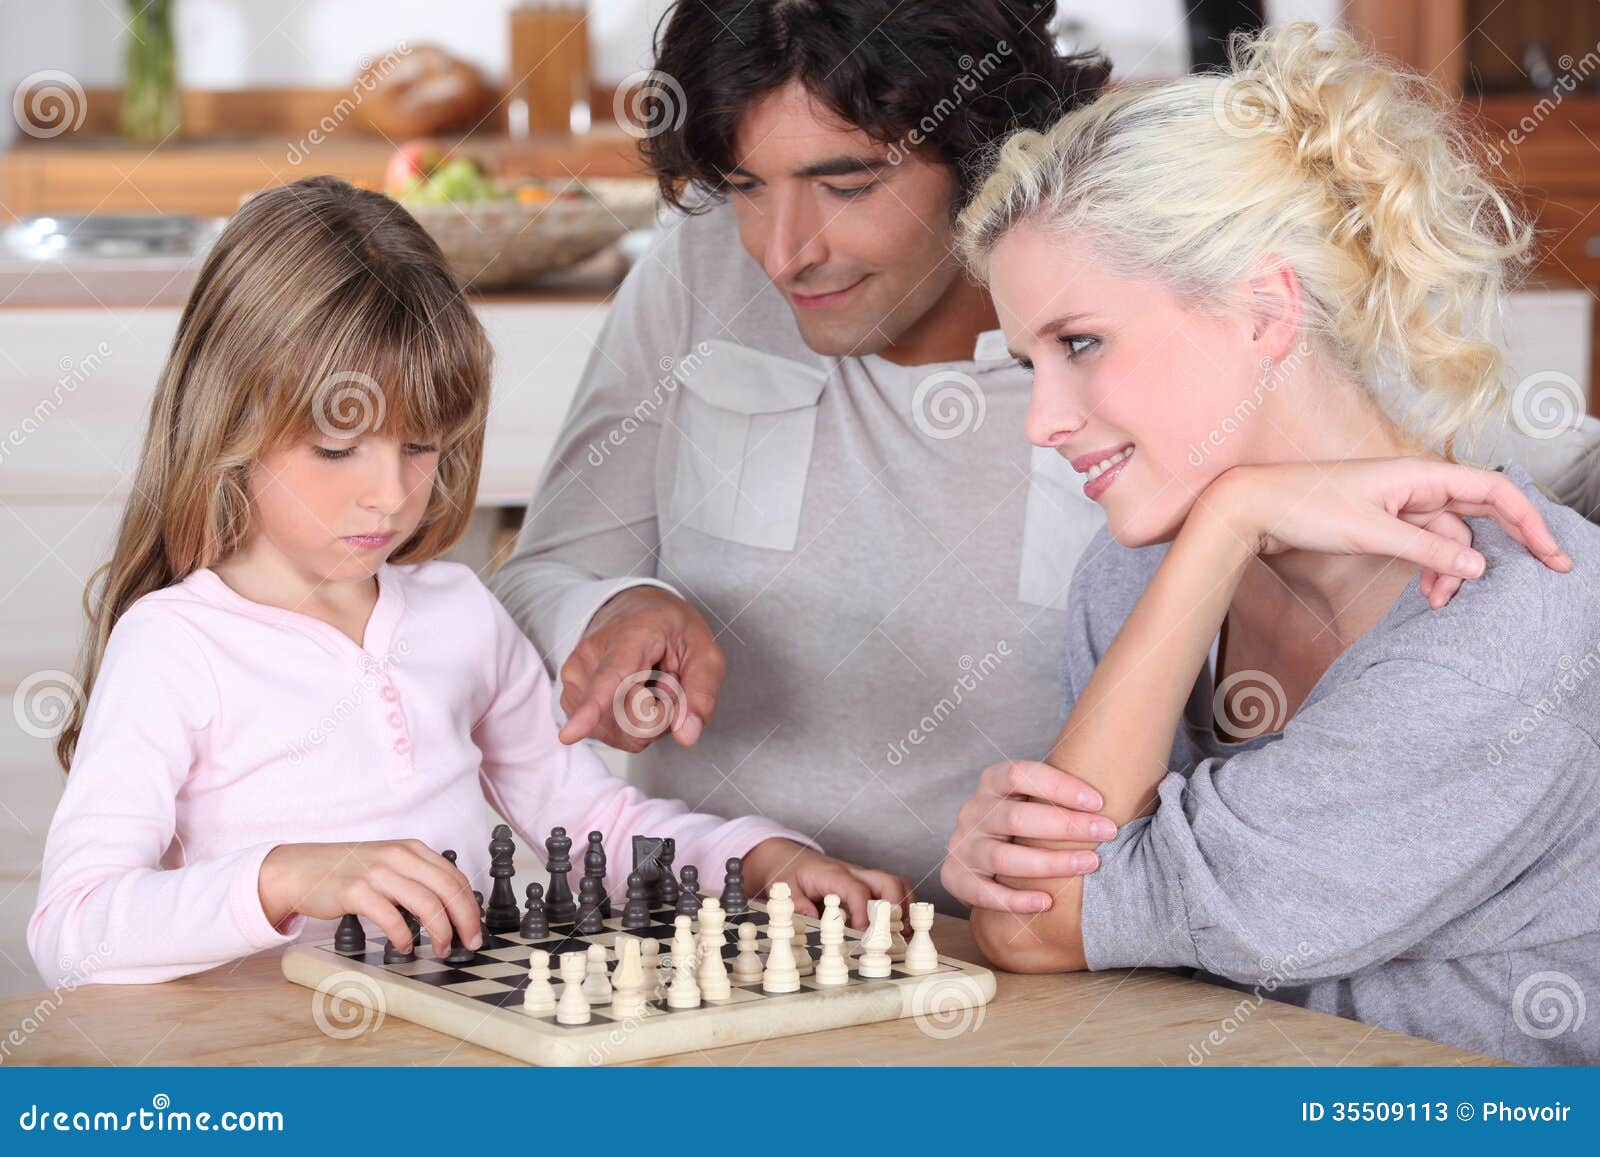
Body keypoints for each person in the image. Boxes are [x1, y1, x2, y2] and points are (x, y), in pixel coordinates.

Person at [490, 0, 1600, 914]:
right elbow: (542, 574)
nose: (783, 251)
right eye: (742, 187)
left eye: (847, 184)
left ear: (973, 149)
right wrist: (614, 607)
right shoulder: (700, 273)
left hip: (1044, 958)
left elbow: (1443, 453)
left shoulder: (1163, 304)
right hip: (731, 922)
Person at [27, 177, 894, 989]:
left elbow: (594, 823)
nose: (392, 493)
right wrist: (287, 874)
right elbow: (72, 925)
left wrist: (760, 859)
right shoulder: (176, 645)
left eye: (420, 444)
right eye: (337, 448)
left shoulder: (457, 612)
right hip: (269, 1064)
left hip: (444, 1041)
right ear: (231, 421)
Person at [944, 23, 1600, 1064]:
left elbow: (1036, 918)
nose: (1042, 419)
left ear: (1264, 308)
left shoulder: (1508, 622)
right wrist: (1226, 525)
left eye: (1079, 343)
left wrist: (1230, 517)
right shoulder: (1132, 576)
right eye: (1029, 361)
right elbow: (1052, 910)